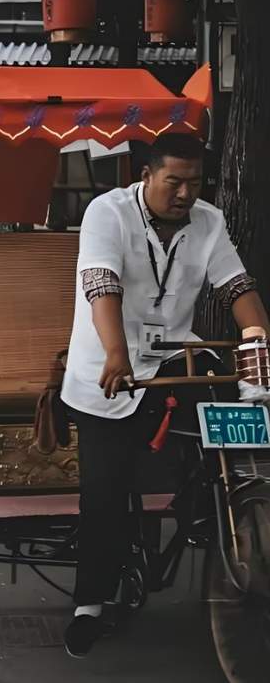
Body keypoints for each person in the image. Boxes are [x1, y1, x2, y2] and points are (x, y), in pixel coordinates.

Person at [60, 132, 270, 658]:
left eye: (194, 183)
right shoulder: (107, 213)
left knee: (238, 415)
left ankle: (216, 509)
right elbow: (101, 283)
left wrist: (258, 363)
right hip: (109, 371)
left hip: (176, 361)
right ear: (147, 175)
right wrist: (115, 353)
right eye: (174, 181)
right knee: (105, 491)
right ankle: (90, 603)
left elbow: (237, 289)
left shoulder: (209, 221)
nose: (184, 193)